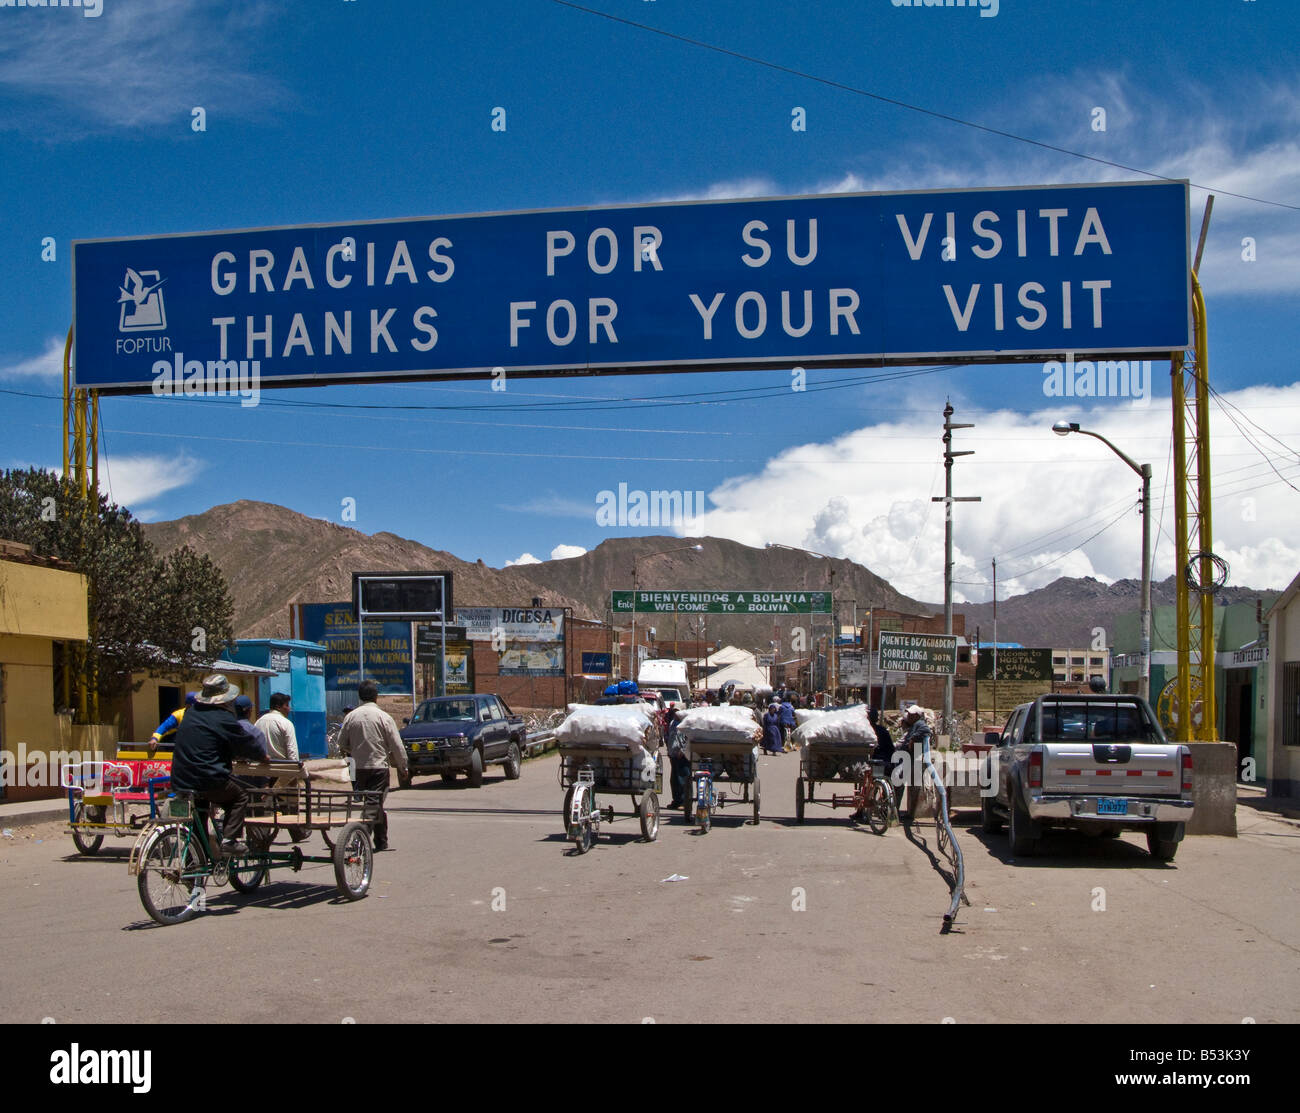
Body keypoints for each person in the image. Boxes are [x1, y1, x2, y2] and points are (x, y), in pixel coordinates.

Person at [170, 674, 267, 855]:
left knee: (200, 814)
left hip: (181, 778)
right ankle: (230, 841)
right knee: (239, 797)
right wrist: (262, 756)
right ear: (224, 699)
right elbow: (244, 742)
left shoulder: (191, 714)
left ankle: (195, 864)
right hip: (208, 779)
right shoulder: (223, 718)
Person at [337, 680, 409, 852]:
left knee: (375, 803)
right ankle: (359, 838)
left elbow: (341, 742)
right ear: (376, 696)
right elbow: (397, 746)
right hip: (378, 767)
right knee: (373, 804)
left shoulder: (351, 717)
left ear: (360, 697)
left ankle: (381, 841)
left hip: (359, 768)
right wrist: (403, 767)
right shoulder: (384, 717)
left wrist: (354, 750)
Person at [896, 705, 932, 821]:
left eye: (911, 715)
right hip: (904, 756)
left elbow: (927, 731)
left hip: (908, 758)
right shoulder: (914, 725)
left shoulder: (920, 724)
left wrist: (913, 738)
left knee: (898, 782)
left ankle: (894, 810)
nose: (909, 717)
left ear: (916, 716)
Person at [256, 692, 299, 761]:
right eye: (287, 705)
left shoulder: (258, 722)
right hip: (281, 767)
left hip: (261, 766)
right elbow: (293, 752)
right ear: (278, 707)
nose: (289, 708)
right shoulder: (286, 723)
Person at [666, 707, 690, 809]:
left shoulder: (686, 723)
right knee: (674, 780)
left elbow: (688, 738)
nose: (675, 714)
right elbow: (669, 736)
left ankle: (684, 802)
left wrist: (683, 750)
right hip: (673, 754)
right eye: (674, 712)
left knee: (682, 779)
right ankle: (676, 800)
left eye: (677, 712)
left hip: (682, 755)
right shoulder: (672, 722)